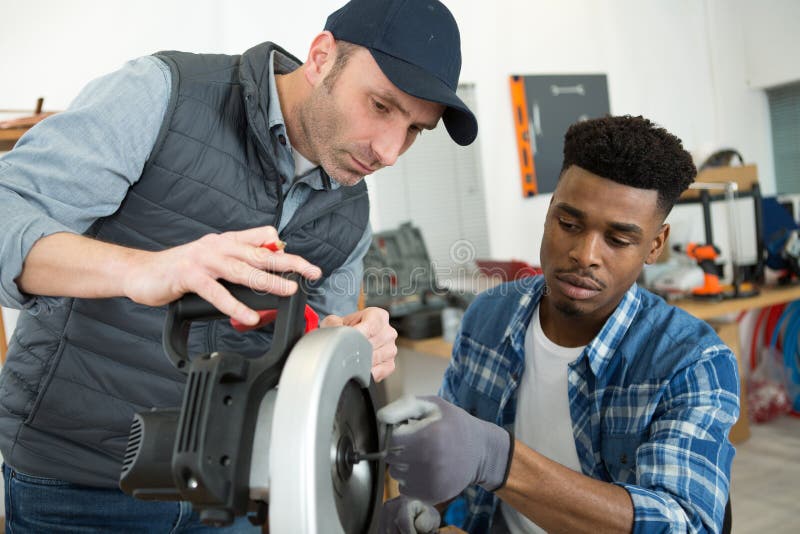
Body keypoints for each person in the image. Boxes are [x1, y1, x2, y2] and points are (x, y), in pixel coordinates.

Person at [0, 0, 477, 531]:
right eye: (382, 106)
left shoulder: (350, 210)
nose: (390, 151)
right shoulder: (163, 94)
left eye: (415, 130)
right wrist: (141, 270)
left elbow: (306, 366)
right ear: (321, 58)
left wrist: (343, 346)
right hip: (81, 484)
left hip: (235, 498)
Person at [378, 115, 739, 534]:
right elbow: (454, 457)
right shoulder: (489, 317)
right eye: (569, 224)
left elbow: (686, 524)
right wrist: (423, 505)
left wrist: (499, 459)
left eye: (618, 239)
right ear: (550, 212)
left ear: (654, 244)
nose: (585, 254)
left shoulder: (691, 363)